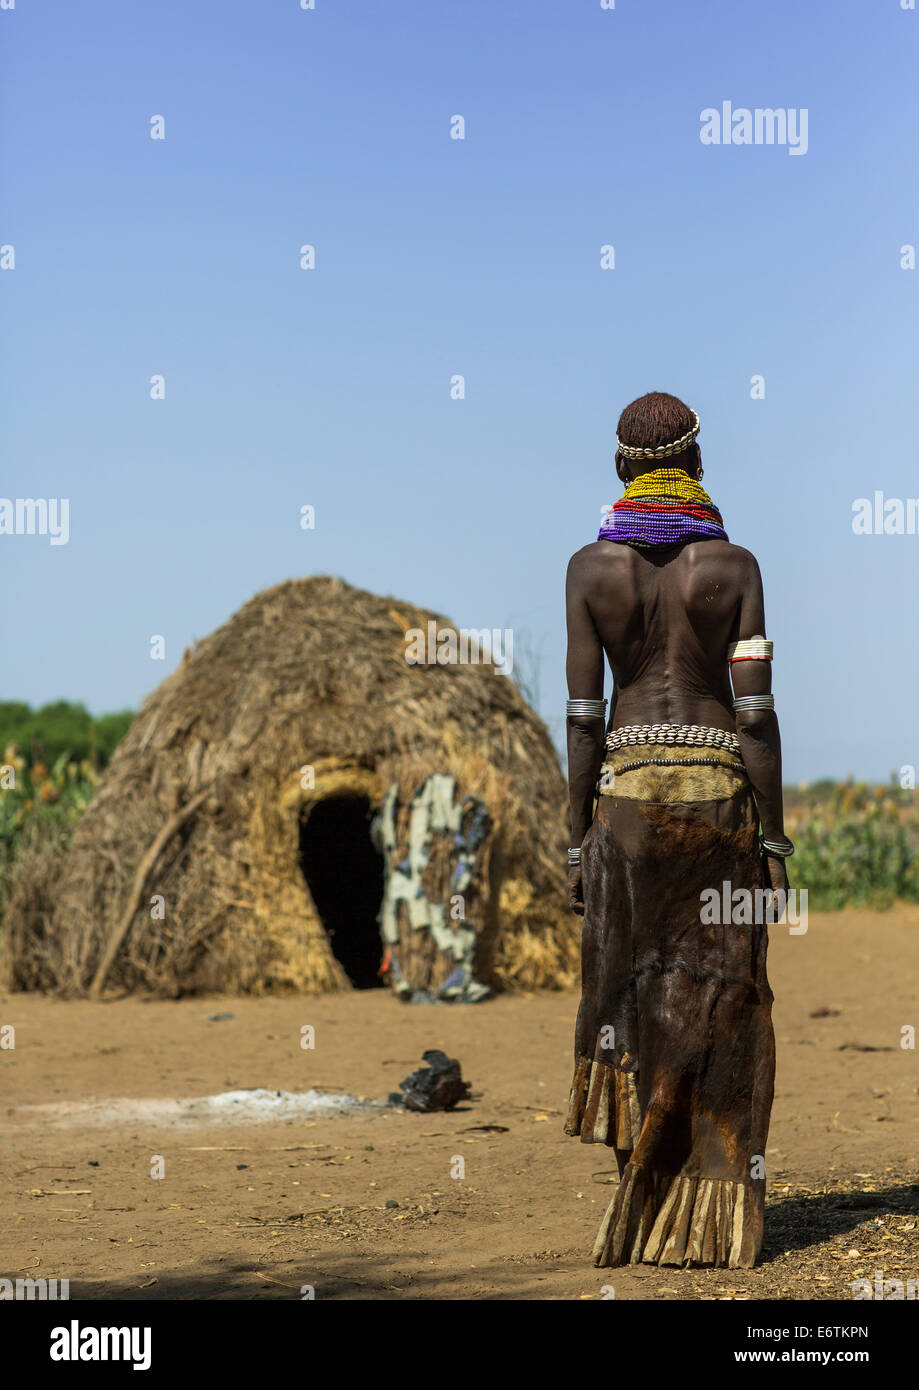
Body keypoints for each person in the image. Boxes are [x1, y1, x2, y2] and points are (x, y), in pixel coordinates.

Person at [563, 391, 790, 1269]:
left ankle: (642, 1201)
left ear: (622, 466)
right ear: (696, 463)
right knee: (722, 998)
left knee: (626, 996)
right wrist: (770, 841)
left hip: (620, 807)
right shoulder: (733, 569)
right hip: (716, 803)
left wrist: (572, 833)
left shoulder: (589, 572)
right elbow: (757, 717)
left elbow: (584, 718)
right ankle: (714, 1217)